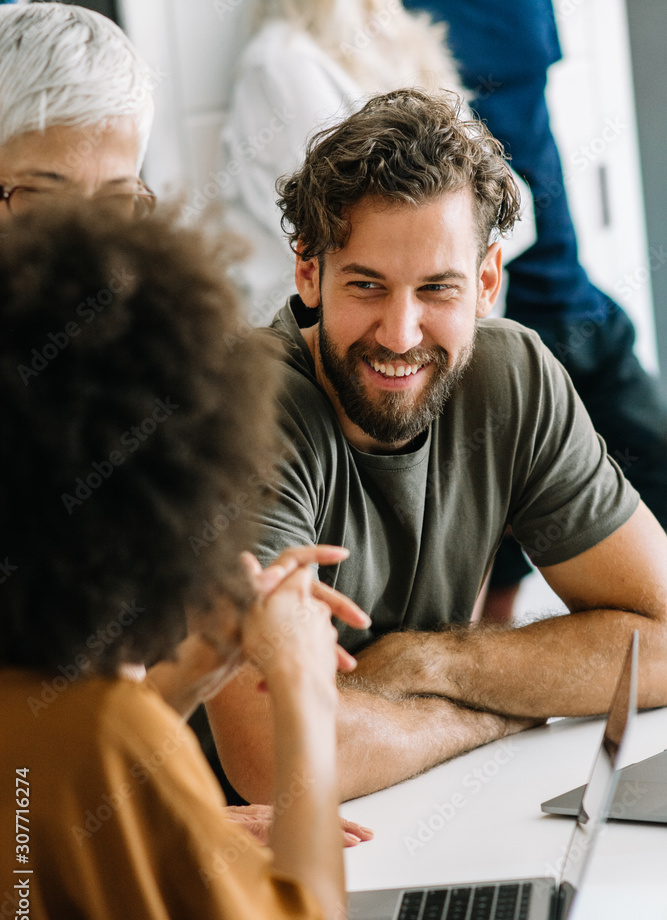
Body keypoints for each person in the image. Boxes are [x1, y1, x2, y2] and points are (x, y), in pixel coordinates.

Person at [206, 89, 667, 806]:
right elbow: (277, 755)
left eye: (436, 289)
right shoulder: (244, 410)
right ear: (308, 271)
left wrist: (435, 661)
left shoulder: (512, 377)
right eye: (366, 285)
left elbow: (661, 639)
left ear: (486, 282)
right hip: (240, 860)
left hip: (413, 809)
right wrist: (494, 715)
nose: (399, 333)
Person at [0, 0, 373, 840]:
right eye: (43, 200)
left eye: (119, 202)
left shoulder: (106, 400)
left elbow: (83, 747)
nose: (90, 245)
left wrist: (205, 671)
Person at [0, 202, 372, 920]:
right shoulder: (103, 729)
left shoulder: (54, 715)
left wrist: (187, 678)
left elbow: (54, 813)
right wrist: (303, 686)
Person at [402, 0, 667, 618]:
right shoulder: (383, 24)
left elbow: (533, 127)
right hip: (495, 315)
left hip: (570, 297)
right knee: (486, 558)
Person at [217, 0, 534, 326]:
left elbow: (515, 213)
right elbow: (352, 235)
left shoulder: (407, 44)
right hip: (326, 341)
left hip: (442, 338)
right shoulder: (283, 64)